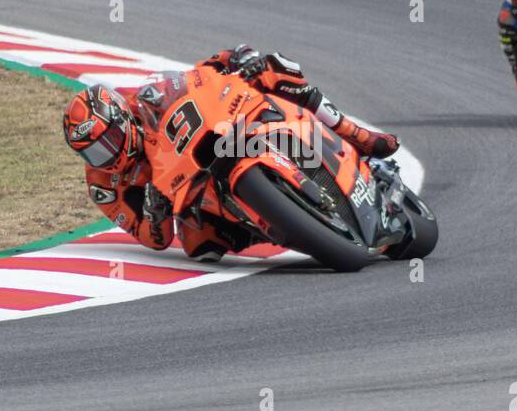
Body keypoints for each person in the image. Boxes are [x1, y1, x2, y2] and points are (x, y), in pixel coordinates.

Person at [61, 45, 399, 260]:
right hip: (190, 189)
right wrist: (154, 210)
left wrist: (237, 57)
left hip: (225, 131)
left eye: (107, 141)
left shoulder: (145, 99)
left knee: (273, 68)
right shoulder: (103, 186)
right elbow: (153, 240)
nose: (107, 155)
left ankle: (358, 136)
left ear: (122, 118)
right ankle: (284, 223)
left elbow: (199, 73)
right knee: (200, 246)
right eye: (93, 153)